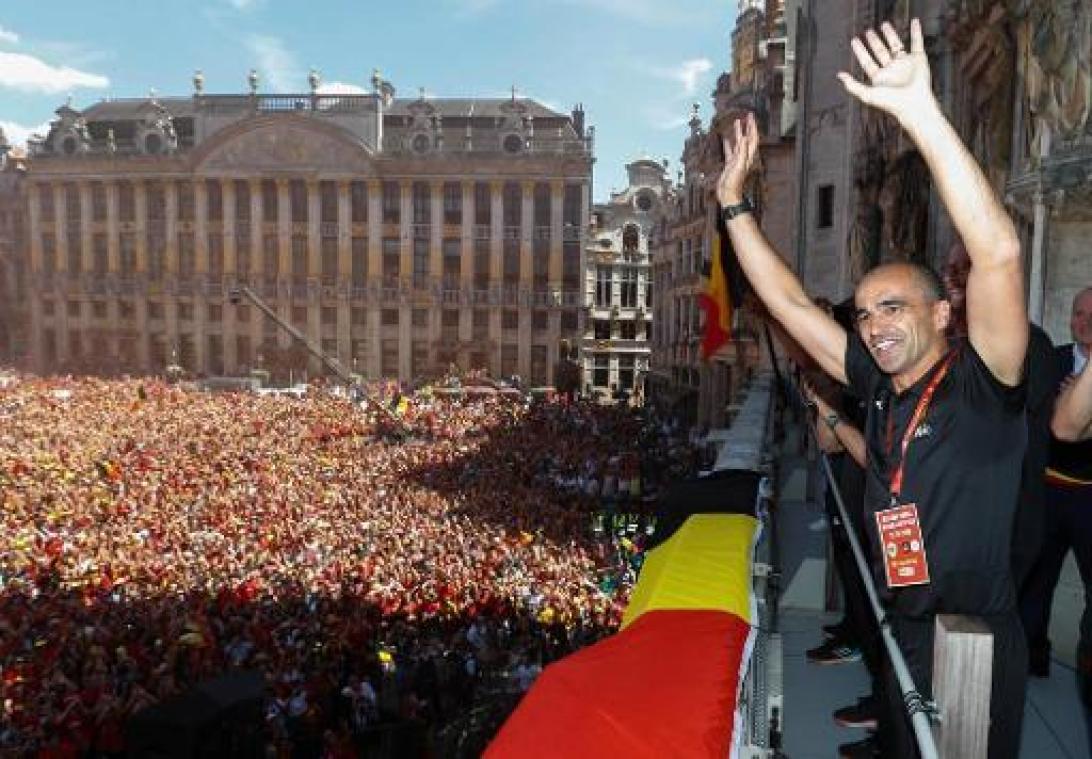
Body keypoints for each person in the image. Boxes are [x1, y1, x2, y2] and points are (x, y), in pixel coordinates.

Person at [715, 18, 1028, 759]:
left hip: (972, 642)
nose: (875, 325)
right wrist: (733, 204)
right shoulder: (878, 381)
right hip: (901, 622)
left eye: (894, 307)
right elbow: (791, 305)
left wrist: (921, 113)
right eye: (863, 313)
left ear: (942, 313)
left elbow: (999, 251)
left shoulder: (984, 383)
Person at [1022, 287, 1092, 751]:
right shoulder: (1054, 360)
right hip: (1047, 488)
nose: (1084, 321)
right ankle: (1032, 660)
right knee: (1035, 578)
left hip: (1090, 496)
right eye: (1078, 313)